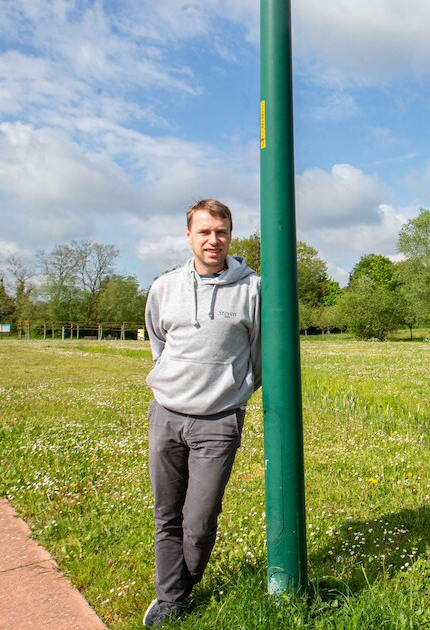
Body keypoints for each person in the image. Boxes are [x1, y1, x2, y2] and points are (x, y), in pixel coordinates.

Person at [142, 199, 261, 627]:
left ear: (231, 235)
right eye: (205, 232)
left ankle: (182, 584)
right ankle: (171, 600)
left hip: (219, 420)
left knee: (199, 520)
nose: (214, 240)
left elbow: (259, 354)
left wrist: (234, 392)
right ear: (188, 235)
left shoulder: (253, 289)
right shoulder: (164, 287)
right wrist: (171, 379)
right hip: (166, 414)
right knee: (166, 514)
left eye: (221, 232)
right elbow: (158, 341)